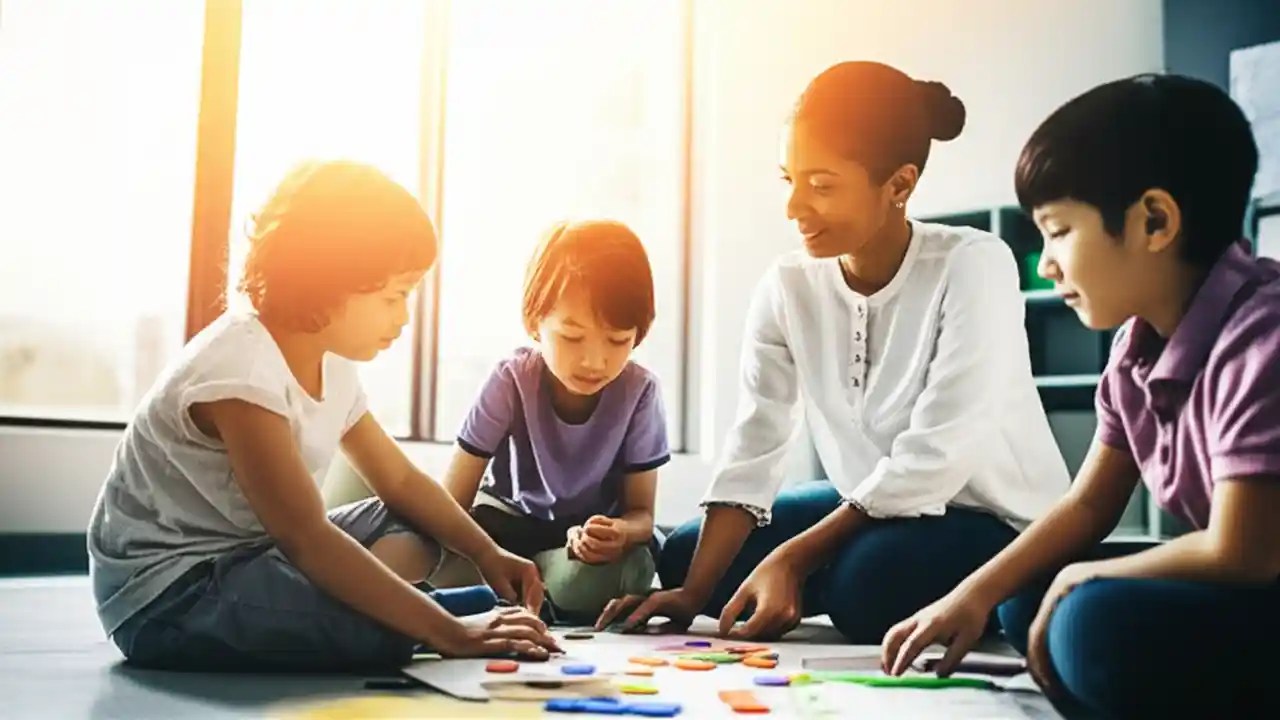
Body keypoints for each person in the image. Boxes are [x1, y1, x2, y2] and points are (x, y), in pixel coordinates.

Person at [597, 61, 1069, 642]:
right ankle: (814, 575)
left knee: (865, 588)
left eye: (821, 185)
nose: (794, 207)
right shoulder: (788, 285)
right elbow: (756, 442)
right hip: (866, 507)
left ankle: (824, 578)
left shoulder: (974, 264)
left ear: (899, 184)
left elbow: (938, 455)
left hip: (988, 515)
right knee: (690, 558)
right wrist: (693, 596)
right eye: (788, 179)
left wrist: (792, 558)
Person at [881, 74, 1280, 719]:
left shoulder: (1264, 336)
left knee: (1088, 620)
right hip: (1250, 583)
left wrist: (1083, 578)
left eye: (1059, 231)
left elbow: (1246, 549)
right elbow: (1089, 504)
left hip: (1264, 579)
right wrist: (970, 595)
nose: (1044, 263)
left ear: (1154, 221)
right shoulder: (1135, 350)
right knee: (1019, 596)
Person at [87, 160, 558, 671]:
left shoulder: (330, 362)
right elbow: (304, 536)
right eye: (393, 296)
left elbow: (398, 479)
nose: (403, 317)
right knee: (370, 630)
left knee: (417, 515)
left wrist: (488, 553)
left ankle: (412, 612)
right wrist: (451, 634)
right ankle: (426, 615)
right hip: (172, 595)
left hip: (257, 557)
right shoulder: (241, 368)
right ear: (328, 281)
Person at [443, 219, 670, 623]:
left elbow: (642, 515)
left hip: (583, 541)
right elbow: (453, 500)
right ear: (535, 323)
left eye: (618, 341)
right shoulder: (511, 380)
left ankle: (533, 588)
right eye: (571, 336)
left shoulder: (640, 392)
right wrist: (484, 551)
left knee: (623, 568)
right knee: (434, 548)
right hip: (505, 525)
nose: (594, 361)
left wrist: (619, 533)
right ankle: (531, 585)